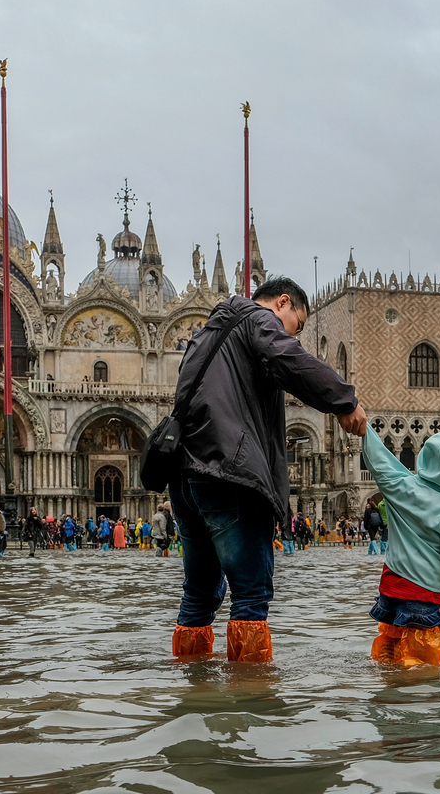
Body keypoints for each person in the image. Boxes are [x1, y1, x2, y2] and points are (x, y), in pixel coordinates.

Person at [168, 277, 365, 662]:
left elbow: (219, 405)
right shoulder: (257, 319)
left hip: (186, 476)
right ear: (283, 303)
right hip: (229, 476)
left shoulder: (208, 333)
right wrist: (344, 400)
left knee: (200, 592)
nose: (296, 335)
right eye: (298, 325)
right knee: (251, 593)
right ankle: (250, 696)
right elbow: (288, 359)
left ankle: (191, 686)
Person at [361, 421, 440, 667]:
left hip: (390, 587)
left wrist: (364, 427)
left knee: (389, 654)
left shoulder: (400, 487)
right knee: (420, 666)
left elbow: (379, 459)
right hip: (422, 594)